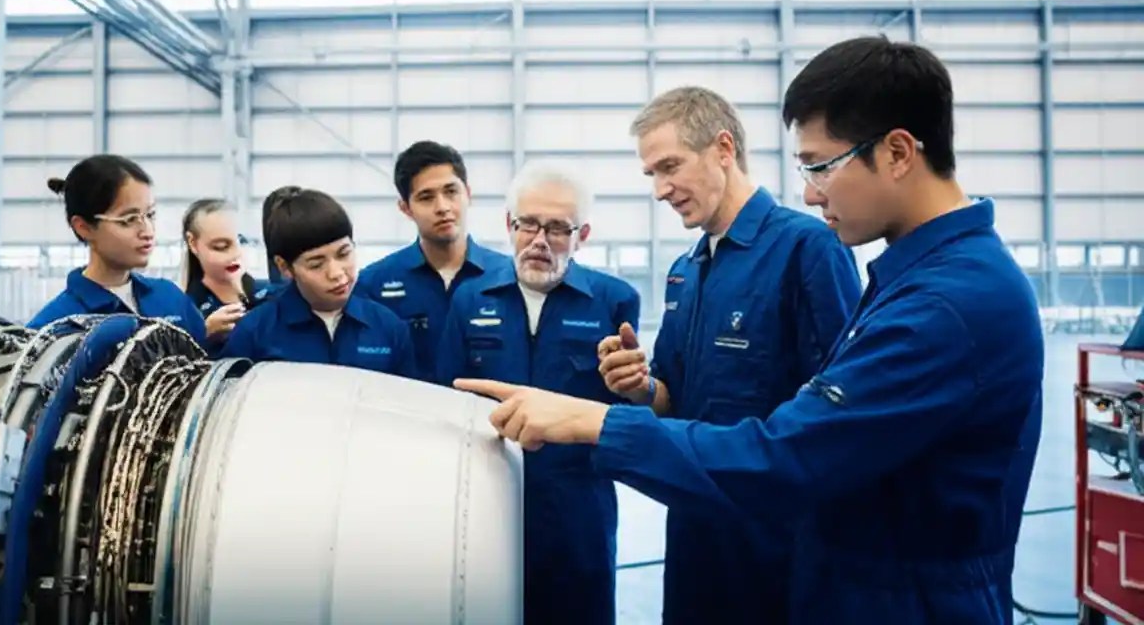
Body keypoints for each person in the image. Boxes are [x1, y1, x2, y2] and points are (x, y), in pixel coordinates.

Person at [455, 36, 1044, 625]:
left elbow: (794, 452)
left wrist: (592, 420)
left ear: (896, 153)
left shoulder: (941, 303)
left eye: (821, 166)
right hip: (732, 533)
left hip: (846, 573)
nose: (811, 192)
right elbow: (704, 405)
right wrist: (641, 393)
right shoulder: (901, 280)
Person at [594, 86, 861, 624]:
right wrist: (638, 386)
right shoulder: (686, 270)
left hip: (778, 547)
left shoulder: (808, 250)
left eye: (669, 166)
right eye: (651, 174)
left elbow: (843, 418)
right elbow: (671, 396)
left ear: (722, 148)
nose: (661, 190)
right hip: (697, 532)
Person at [436, 160, 640, 625]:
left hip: (579, 502)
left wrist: (634, 383)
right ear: (509, 225)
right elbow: (447, 397)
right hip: (487, 496)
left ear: (582, 235)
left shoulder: (614, 301)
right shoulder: (470, 300)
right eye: (527, 224)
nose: (539, 241)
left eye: (557, 228)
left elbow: (626, 405)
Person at [220, 186, 418, 379]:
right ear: (285, 267)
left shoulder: (388, 328)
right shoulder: (255, 333)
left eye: (344, 254)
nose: (336, 273)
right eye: (316, 264)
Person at [356, 141, 511, 382]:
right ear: (405, 208)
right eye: (426, 197)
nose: (442, 207)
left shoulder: (507, 277)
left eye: (451, 192)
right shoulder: (373, 285)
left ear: (468, 194)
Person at [28, 154, 206, 344]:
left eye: (150, 215)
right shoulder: (55, 329)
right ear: (84, 227)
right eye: (129, 220)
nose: (147, 231)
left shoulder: (170, 298)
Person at [179, 198, 276, 345]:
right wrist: (204, 334)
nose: (235, 254)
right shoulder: (184, 311)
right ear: (193, 243)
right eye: (221, 246)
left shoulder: (271, 293)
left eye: (241, 242)